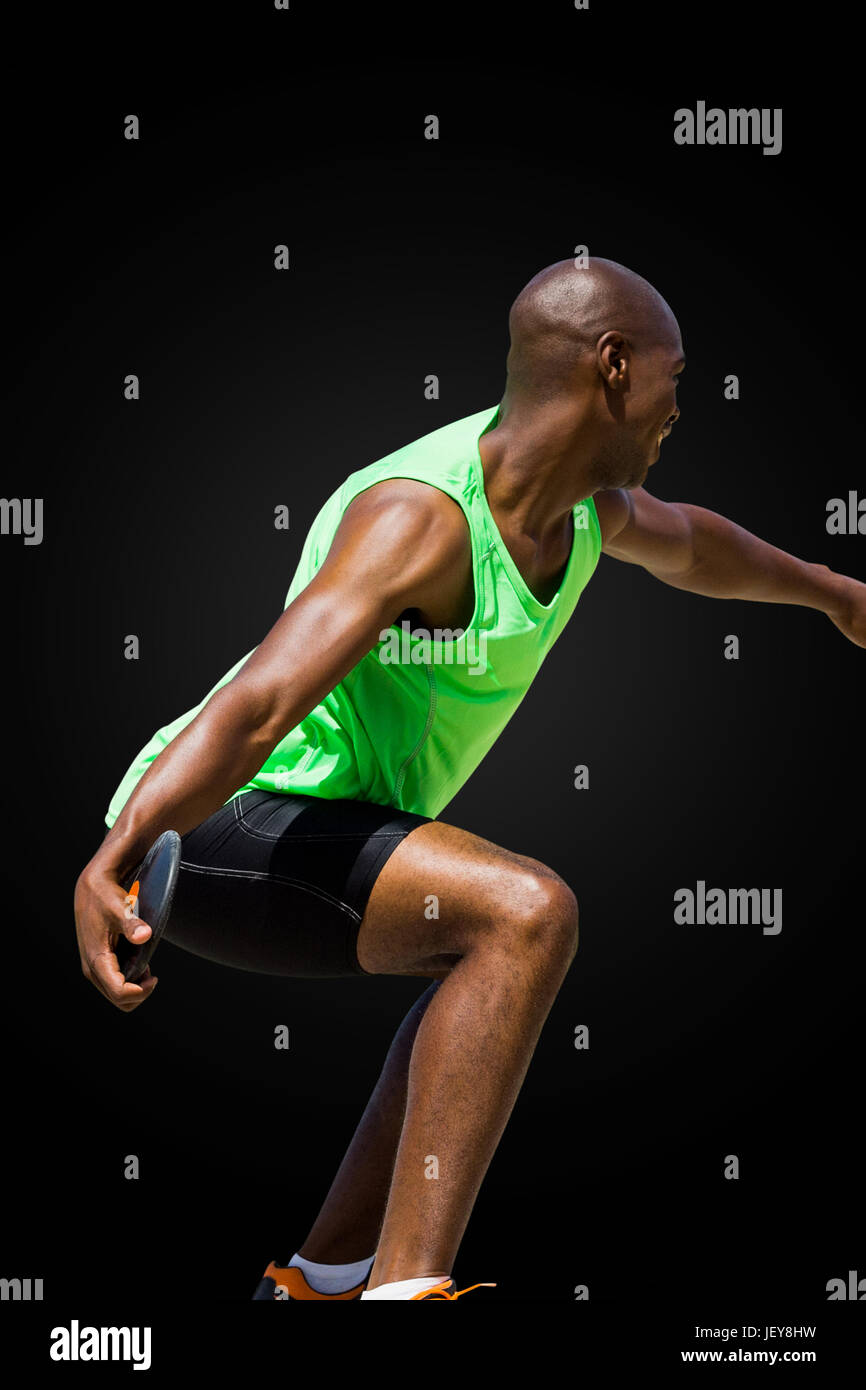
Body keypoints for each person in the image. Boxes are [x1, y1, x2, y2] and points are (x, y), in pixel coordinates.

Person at [74, 257, 865, 1301]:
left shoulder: (588, 515)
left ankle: (321, 1279)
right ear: (612, 366)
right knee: (523, 914)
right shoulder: (420, 518)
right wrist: (115, 852)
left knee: (481, 955)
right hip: (209, 824)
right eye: (675, 375)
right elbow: (261, 702)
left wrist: (837, 594)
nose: (683, 402)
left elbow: (695, 546)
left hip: (313, 822)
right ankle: (409, 1294)